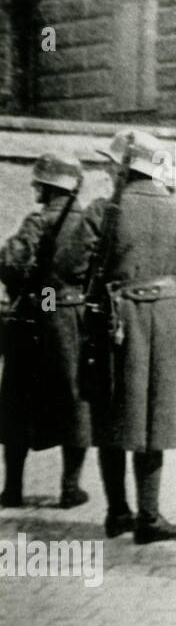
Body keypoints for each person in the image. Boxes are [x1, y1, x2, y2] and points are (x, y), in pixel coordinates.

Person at [78, 130, 176, 543]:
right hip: (170, 323)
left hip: (113, 321)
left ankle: (117, 512)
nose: (108, 169)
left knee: (110, 417)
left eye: (112, 163)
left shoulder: (103, 211)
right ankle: (149, 517)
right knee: (154, 421)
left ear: (126, 167)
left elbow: (76, 270)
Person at [0, 153, 92, 509]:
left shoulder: (36, 222)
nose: (34, 188)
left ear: (50, 185)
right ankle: (70, 488)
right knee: (74, 400)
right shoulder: (90, 222)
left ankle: (12, 489)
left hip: (35, 316)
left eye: (38, 182)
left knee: (17, 400)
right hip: (72, 318)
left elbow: (10, 263)